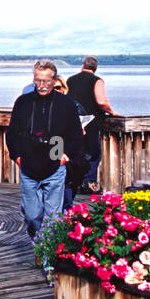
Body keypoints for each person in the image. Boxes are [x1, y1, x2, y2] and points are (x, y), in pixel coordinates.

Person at [8, 60, 85, 238]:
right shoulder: (23, 102)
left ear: (54, 80)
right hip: (29, 161)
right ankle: (38, 241)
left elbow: (76, 135)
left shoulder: (66, 104)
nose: (42, 85)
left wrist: (65, 157)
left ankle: (47, 257)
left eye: (46, 81)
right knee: (32, 214)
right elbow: (12, 133)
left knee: (53, 216)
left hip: (55, 157)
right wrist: (17, 156)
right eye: (38, 80)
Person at [66, 56, 117, 193]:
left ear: (83, 65)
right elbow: (101, 102)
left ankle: (75, 181)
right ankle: (88, 183)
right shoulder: (97, 80)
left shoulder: (70, 80)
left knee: (77, 152)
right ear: (95, 68)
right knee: (94, 153)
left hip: (73, 122)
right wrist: (112, 112)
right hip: (91, 122)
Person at [54, 75, 90, 212]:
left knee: (69, 191)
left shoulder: (75, 106)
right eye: (53, 88)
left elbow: (87, 130)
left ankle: (63, 223)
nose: (55, 91)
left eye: (58, 88)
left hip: (73, 155)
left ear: (64, 88)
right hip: (54, 152)